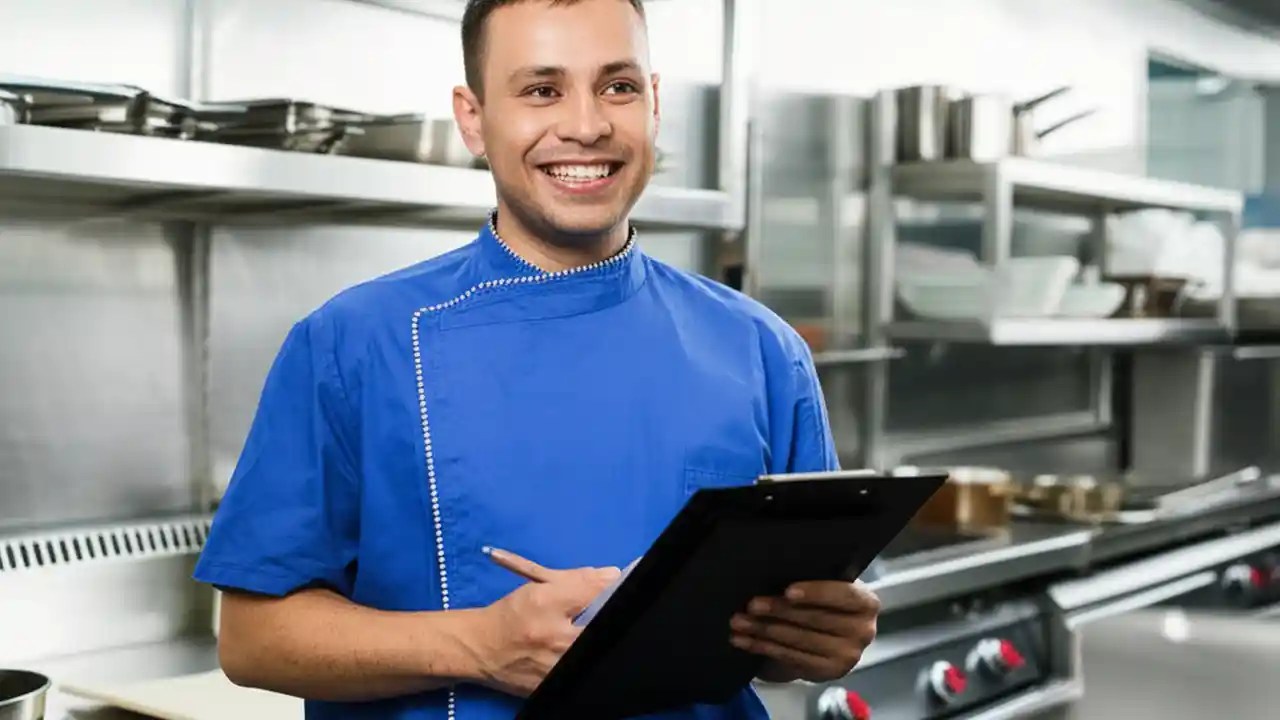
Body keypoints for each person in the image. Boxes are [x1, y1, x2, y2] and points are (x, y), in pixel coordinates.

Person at [193, 0, 882, 718]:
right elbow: (253, 639)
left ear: (653, 103)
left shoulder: (763, 350)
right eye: (542, 90)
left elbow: (782, 626)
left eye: (616, 87)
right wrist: (477, 646)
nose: (586, 125)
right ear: (472, 117)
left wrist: (820, 635)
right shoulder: (353, 343)